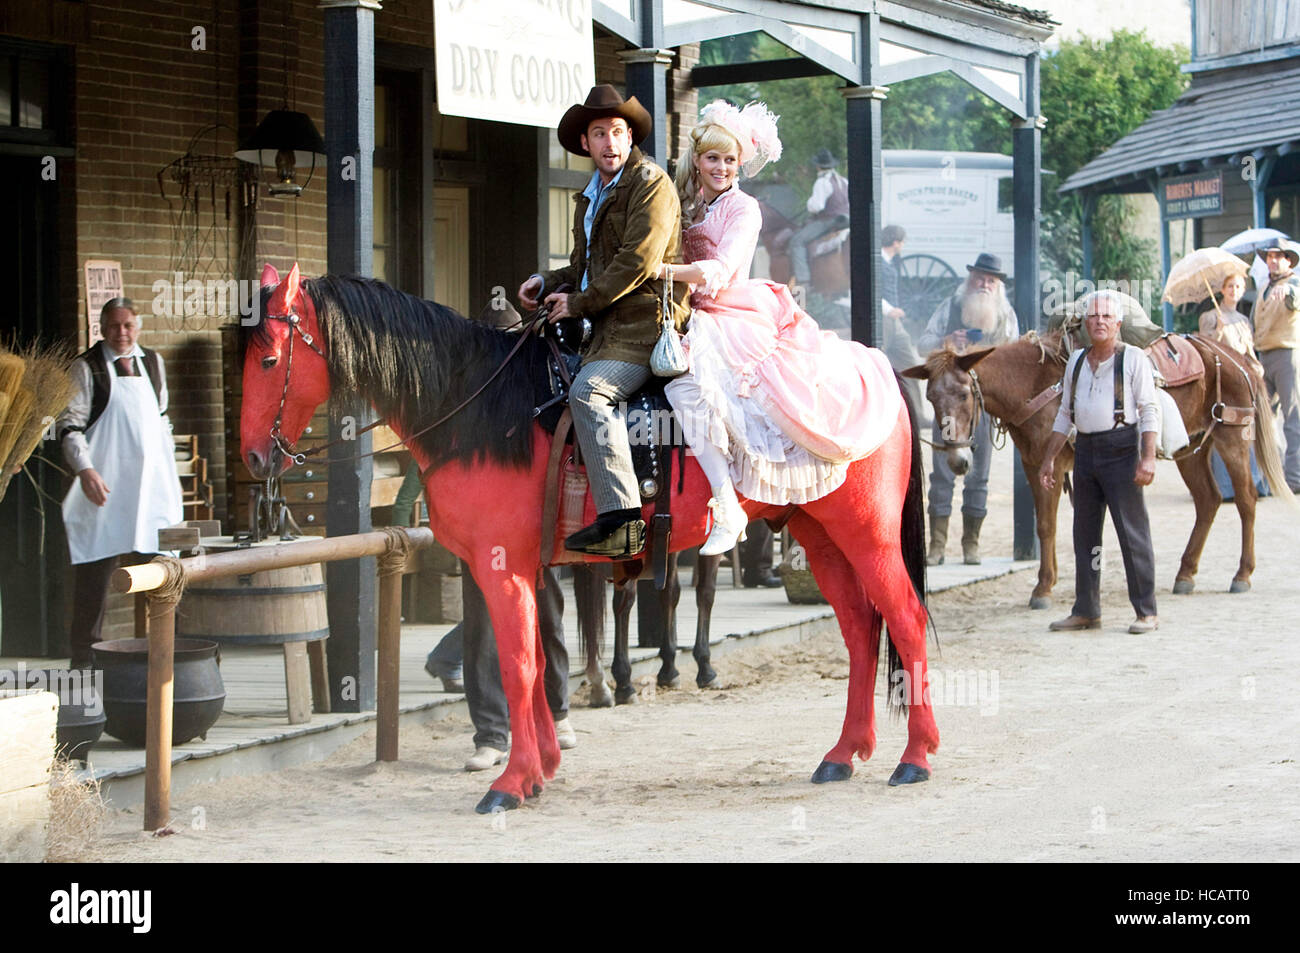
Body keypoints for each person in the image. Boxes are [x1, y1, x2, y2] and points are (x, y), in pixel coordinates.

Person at [658, 101, 901, 555]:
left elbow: (723, 270)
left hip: (728, 308)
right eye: (713, 158)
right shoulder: (688, 200)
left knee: (686, 387)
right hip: (686, 304)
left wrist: (661, 271)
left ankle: (727, 505)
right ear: (697, 159)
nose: (722, 168)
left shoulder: (744, 209)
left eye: (730, 161)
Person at [518, 85, 688, 558]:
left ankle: (624, 520)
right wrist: (545, 280)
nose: (609, 142)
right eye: (599, 134)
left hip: (644, 328)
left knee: (588, 392)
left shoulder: (651, 183)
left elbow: (637, 262)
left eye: (617, 131)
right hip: (603, 330)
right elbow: (583, 268)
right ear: (585, 145)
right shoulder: (591, 196)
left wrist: (578, 304)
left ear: (630, 136)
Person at [57, 298, 183, 668]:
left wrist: (167, 474)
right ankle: (83, 669)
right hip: (105, 490)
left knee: (161, 577)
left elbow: (161, 420)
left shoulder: (154, 365)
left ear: (138, 326)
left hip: (150, 493)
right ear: (102, 327)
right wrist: (86, 471)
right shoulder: (87, 368)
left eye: (128, 325)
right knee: (94, 585)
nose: (121, 333)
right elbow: (70, 427)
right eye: (113, 326)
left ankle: (164, 661)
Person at [1039, 291, 1159, 635]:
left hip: (1123, 449)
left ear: (1118, 324)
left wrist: (1147, 457)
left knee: (1132, 533)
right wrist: (1049, 459)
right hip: (1086, 453)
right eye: (1094, 316)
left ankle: (1146, 611)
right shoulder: (1075, 361)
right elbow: (1065, 414)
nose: (1100, 321)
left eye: (1107, 316)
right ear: (1085, 323)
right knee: (1085, 534)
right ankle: (1087, 609)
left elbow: (1149, 411)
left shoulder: (1133, 359)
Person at [917, 253, 1020, 565]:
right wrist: (947, 341)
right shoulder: (950, 306)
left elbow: (1014, 353)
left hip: (983, 404)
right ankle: (936, 547)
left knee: (979, 476)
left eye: (991, 280)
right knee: (942, 474)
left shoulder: (1005, 315)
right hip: (950, 404)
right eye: (980, 278)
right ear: (970, 279)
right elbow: (924, 344)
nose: (984, 285)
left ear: (998, 285)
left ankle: (971, 546)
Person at [1199, 273, 1269, 500]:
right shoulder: (1209, 317)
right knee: (1225, 431)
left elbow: (1249, 352)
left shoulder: (1243, 320)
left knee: (1248, 431)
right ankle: (1224, 486)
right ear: (1222, 289)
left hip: (1244, 381)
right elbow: (1205, 347)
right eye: (1230, 286)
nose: (1234, 290)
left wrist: (1257, 368)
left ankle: (1255, 483)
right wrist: (1218, 330)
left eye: (1238, 286)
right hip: (1221, 382)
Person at [1250, 237, 1300, 493]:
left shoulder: (1293, 282)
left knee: (1293, 417)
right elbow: (1254, 323)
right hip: (1264, 355)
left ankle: (1295, 477)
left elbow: (1295, 298)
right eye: (1269, 256)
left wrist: (1289, 292)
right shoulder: (1264, 288)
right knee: (1262, 418)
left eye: (1278, 256)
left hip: (1287, 353)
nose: (1273, 260)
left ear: (1288, 260)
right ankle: (1273, 474)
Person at [878, 224, 924, 415]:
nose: (902, 246)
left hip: (894, 323)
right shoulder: (877, 261)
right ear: (896, 243)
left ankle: (917, 415)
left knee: (910, 364)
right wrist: (889, 310)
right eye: (902, 242)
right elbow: (868, 290)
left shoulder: (887, 262)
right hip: (881, 319)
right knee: (877, 363)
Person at [788, 148, 849, 288]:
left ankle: (803, 280)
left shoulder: (822, 182)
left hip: (829, 221)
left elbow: (816, 207)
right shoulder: (843, 181)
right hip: (845, 220)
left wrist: (809, 204)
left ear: (818, 166)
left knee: (796, 241)